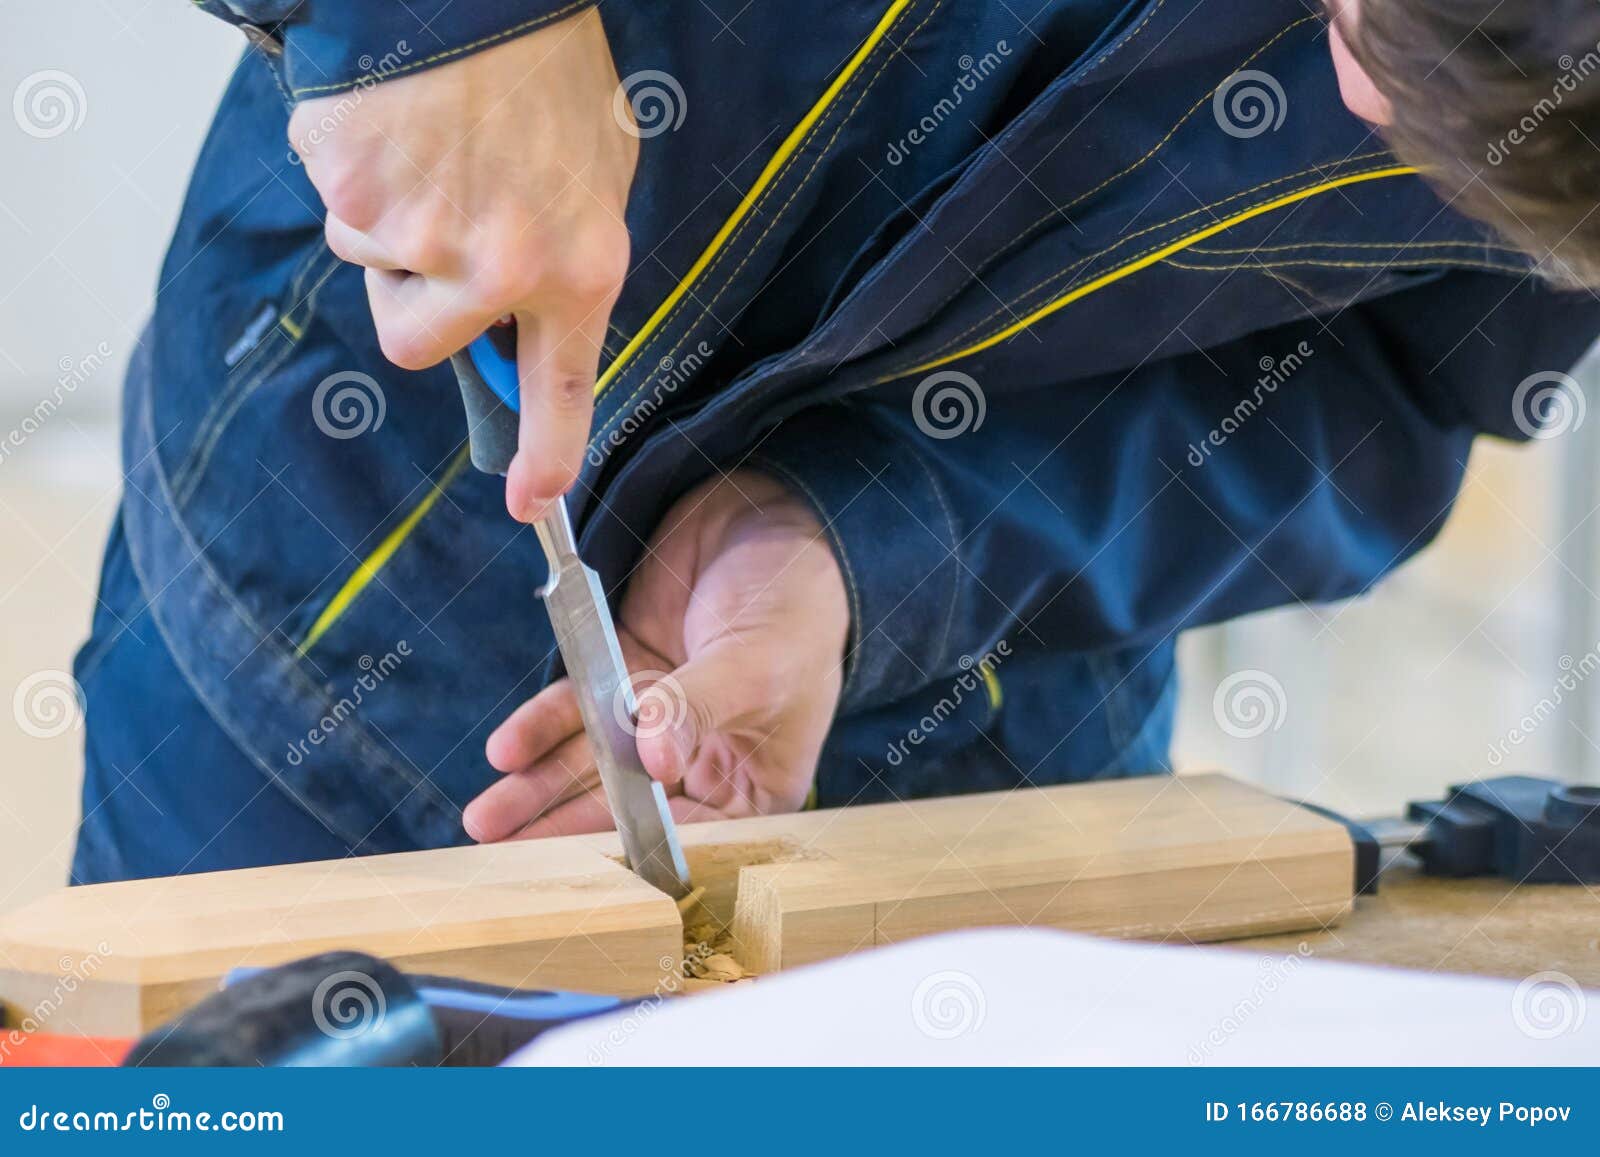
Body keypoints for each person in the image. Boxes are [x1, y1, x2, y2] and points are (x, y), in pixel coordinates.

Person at [70, 0, 1600, 882]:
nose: (1354, 94)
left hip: (963, 766)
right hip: (326, 596)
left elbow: (1383, 385)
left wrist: (874, 544)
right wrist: (434, 22)